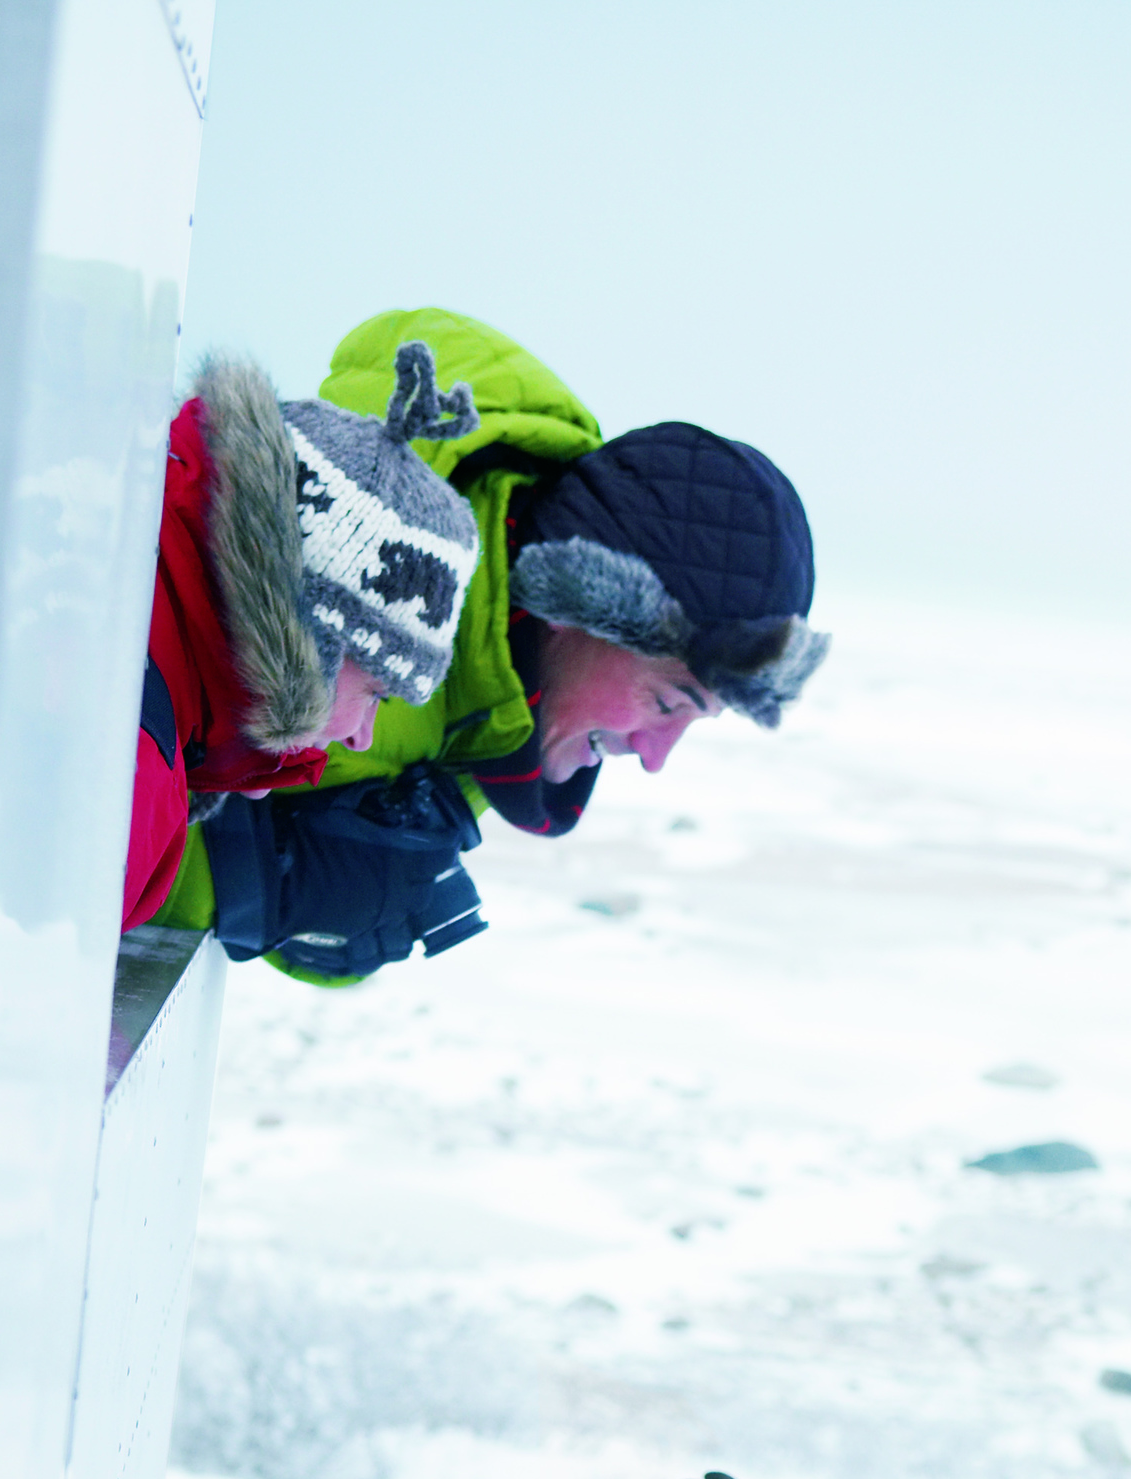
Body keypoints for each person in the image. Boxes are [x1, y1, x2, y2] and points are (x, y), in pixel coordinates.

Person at [150, 308, 828, 986]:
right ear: (580, 610)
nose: (655, 756)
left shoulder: (505, 698)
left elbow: (334, 938)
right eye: (666, 702)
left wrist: (297, 897)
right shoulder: (354, 573)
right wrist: (245, 880)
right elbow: (101, 815)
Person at [123, 338, 483, 933]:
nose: (363, 738)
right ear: (316, 637)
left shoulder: (137, 616)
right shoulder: (136, 769)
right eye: (376, 693)